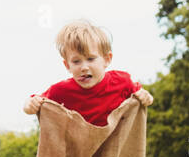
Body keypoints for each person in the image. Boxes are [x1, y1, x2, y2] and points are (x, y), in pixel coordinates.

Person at [22, 19, 153, 125]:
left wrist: (146, 97)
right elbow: (34, 104)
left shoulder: (122, 81)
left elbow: (143, 97)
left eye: (90, 59)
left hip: (113, 150)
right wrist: (30, 104)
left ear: (107, 59)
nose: (84, 67)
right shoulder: (60, 91)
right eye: (76, 61)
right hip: (79, 153)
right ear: (67, 65)